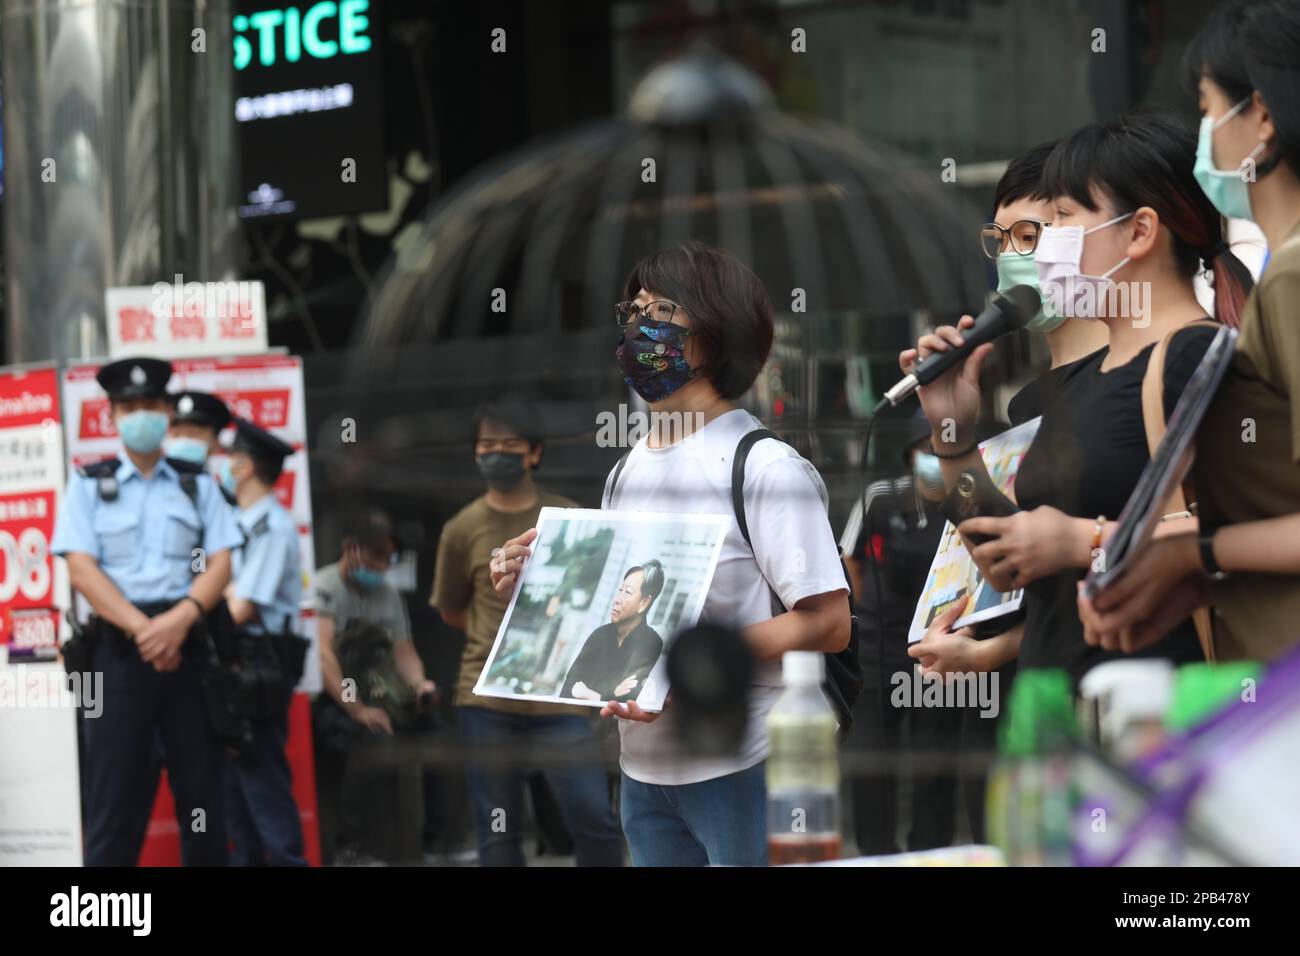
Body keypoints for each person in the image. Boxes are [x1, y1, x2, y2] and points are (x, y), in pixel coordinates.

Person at [492, 242, 851, 867]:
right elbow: (621, 607)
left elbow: (829, 622)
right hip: (645, 774)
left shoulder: (762, 466)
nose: (638, 327)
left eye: (661, 310)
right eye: (632, 311)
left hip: (748, 762)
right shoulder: (624, 471)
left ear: (717, 336)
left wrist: (692, 660)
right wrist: (536, 586)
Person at [904, 110, 1252, 686]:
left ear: (1139, 232)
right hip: (1055, 712)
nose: (1042, 251)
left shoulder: (1196, 358)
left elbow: (1252, 538)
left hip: (1156, 717)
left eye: (1061, 221)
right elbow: (1004, 562)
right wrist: (954, 436)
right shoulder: (1086, 382)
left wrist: (1081, 541)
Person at [1080, 0, 1300, 661]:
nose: (1203, 133)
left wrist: (1191, 553)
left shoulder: (1290, 280)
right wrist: (1204, 577)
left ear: (1260, 115)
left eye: (1207, 109)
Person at [51, 357, 242, 866]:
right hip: (118, 656)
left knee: (202, 800)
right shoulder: (88, 485)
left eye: (150, 405)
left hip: (189, 653)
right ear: (112, 417)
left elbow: (222, 560)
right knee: (113, 802)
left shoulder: (196, 483)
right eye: (128, 407)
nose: (141, 414)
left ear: (166, 413)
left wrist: (179, 620)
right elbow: (82, 571)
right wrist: (145, 632)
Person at [431, 401, 625, 867]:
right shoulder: (461, 529)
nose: (495, 454)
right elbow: (452, 610)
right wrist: (499, 638)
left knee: (594, 818)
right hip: (485, 703)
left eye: (508, 446)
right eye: (486, 445)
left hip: (559, 699)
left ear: (534, 453)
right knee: (498, 831)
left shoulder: (567, 517)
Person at [840, 408, 965, 854]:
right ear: (910, 453)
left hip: (942, 652)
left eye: (942, 448)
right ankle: (876, 855)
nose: (933, 456)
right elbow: (849, 557)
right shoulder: (881, 498)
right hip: (879, 648)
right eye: (924, 449)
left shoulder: (970, 498)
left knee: (936, 764)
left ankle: (932, 852)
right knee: (871, 761)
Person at [314, 508, 435, 863]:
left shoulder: (388, 595)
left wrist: (420, 686)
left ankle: (425, 842)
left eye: (389, 558)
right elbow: (324, 655)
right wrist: (357, 709)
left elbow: (404, 650)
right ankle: (351, 845)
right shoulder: (324, 587)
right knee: (366, 745)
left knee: (433, 731)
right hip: (335, 699)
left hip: (382, 694)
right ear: (351, 549)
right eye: (376, 557)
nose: (382, 566)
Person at [219, 417, 307, 866]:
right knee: (234, 789)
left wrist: (209, 606)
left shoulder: (270, 525)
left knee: (262, 780)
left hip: (259, 665)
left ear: (246, 467)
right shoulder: (236, 521)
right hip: (234, 664)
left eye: (232, 458)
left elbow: (241, 606)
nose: (226, 466)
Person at [561, 562, 666, 703]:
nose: (617, 600)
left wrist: (590, 694)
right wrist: (613, 693)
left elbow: (627, 700)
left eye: (627, 592)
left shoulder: (651, 642)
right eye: (620, 590)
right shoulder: (599, 635)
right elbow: (569, 688)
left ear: (644, 603)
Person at [164, 390, 233, 466]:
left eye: (194, 434)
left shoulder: (224, 476)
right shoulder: (151, 477)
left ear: (216, 444)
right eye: (177, 434)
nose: (184, 440)